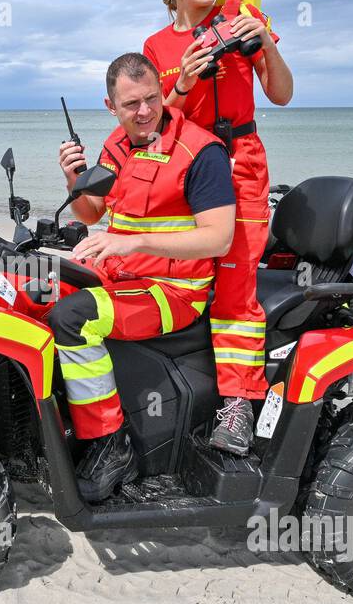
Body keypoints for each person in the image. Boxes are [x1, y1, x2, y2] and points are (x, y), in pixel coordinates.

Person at [54, 52, 236, 502]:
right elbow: (90, 211)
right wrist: (74, 177)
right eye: (131, 103)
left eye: (152, 98)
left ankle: (109, 443)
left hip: (174, 291)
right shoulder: (116, 144)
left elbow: (219, 239)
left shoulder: (201, 151)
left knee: (72, 318)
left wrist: (133, 244)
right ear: (110, 105)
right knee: (38, 291)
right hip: (121, 274)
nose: (144, 112)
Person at [141, 0, 293, 455]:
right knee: (176, 272)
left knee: (234, 284)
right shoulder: (156, 47)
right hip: (189, 166)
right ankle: (170, 390)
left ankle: (237, 407)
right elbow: (154, 124)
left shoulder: (241, 21)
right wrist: (181, 83)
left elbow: (282, 94)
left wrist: (265, 41)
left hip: (243, 161)